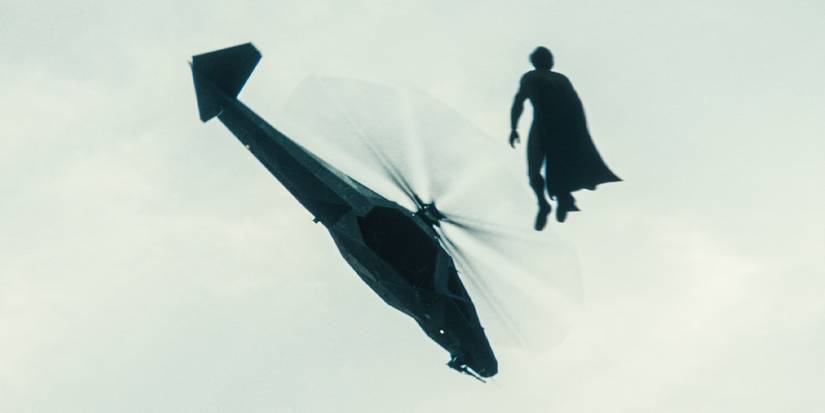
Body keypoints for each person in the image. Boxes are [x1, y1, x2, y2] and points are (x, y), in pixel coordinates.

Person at [509, 46, 621, 229]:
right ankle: (548, 203)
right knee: (538, 170)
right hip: (550, 127)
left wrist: (514, 127)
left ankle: (558, 199)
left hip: (558, 128)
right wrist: (513, 127)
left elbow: (574, 105)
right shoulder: (537, 77)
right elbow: (519, 102)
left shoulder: (554, 79)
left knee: (546, 169)